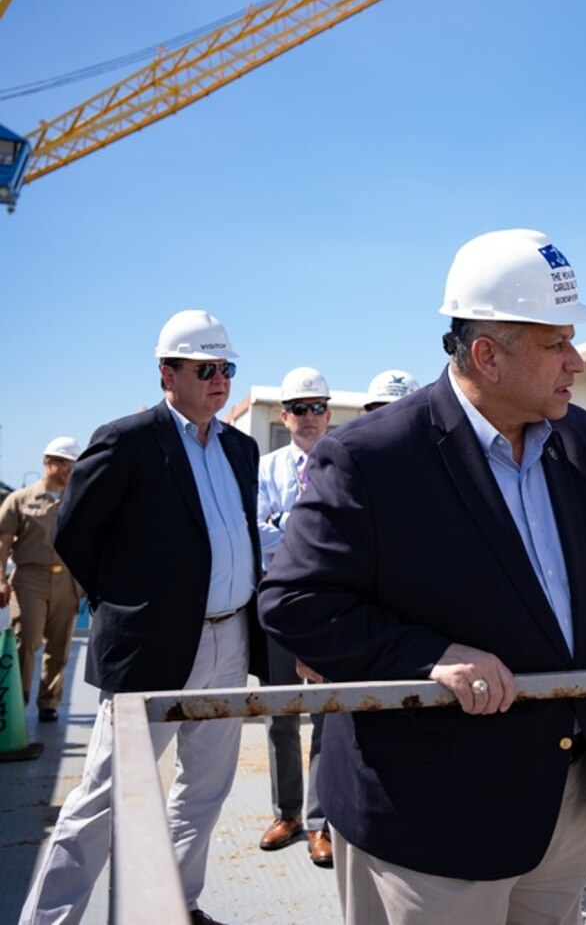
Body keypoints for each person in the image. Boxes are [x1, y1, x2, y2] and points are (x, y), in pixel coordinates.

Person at [259, 228, 586, 925]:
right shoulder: (373, 457)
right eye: (555, 344)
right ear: (488, 355)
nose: (577, 360)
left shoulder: (580, 439)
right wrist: (429, 657)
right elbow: (296, 603)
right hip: (428, 821)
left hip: (561, 802)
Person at [21, 310, 266, 925]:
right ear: (168, 373)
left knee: (205, 790)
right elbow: (76, 535)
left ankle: (176, 906)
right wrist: (125, 606)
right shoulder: (127, 440)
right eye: (205, 368)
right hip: (153, 648)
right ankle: (48, 919)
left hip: (230, 638)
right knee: (103, 797)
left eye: (227, 368)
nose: (219, 380)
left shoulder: (241, 448)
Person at [255, 366, 334, 867]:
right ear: (284, 416)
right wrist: (306, 524)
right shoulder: (264, 469)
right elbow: (256, 534)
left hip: (333, 607)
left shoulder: (346, 463)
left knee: (327, 714)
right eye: (300, 408)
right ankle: (286, 812)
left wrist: (285, 525)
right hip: (281, 604)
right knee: (280, 713)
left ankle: (321, 822)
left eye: (318, 406)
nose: (310, 417)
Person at [0, 437, 85, 722]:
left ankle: (49, 703)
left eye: (73, 465)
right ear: (48, 463)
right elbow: (3, 542)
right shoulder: (20, 500)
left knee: (60, 646)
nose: (69, 470)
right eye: (63, 464)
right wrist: (1, 580)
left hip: (67, 582)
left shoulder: (79, 500)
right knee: (26, 641)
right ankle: (16, 702)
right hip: (29, 580)